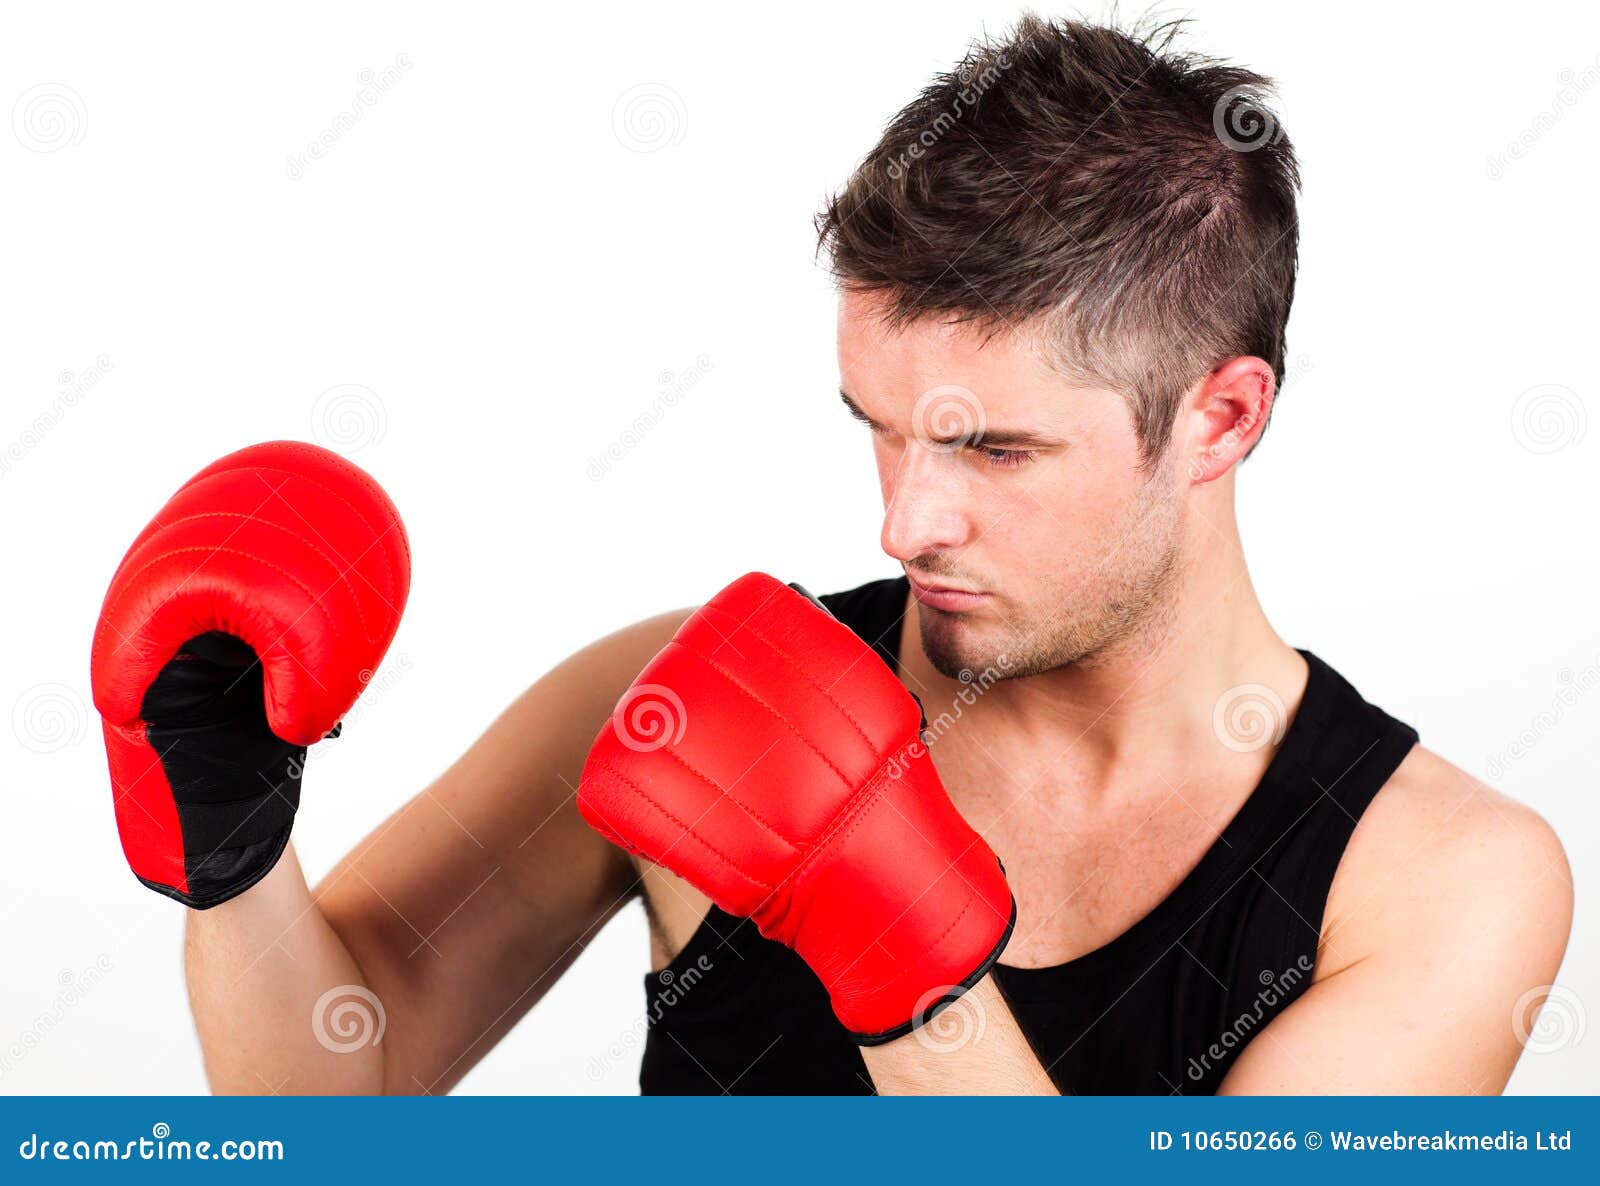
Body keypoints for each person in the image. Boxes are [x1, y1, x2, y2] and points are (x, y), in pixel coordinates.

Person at [93, 14, 1571, 1096]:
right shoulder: (675, 698)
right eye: (881, 428)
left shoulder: (1436, 881)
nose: (904, 523)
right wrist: (230, 843)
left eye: (997, 450)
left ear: (1221, 417)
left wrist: (908, 963)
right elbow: (336, 1096)